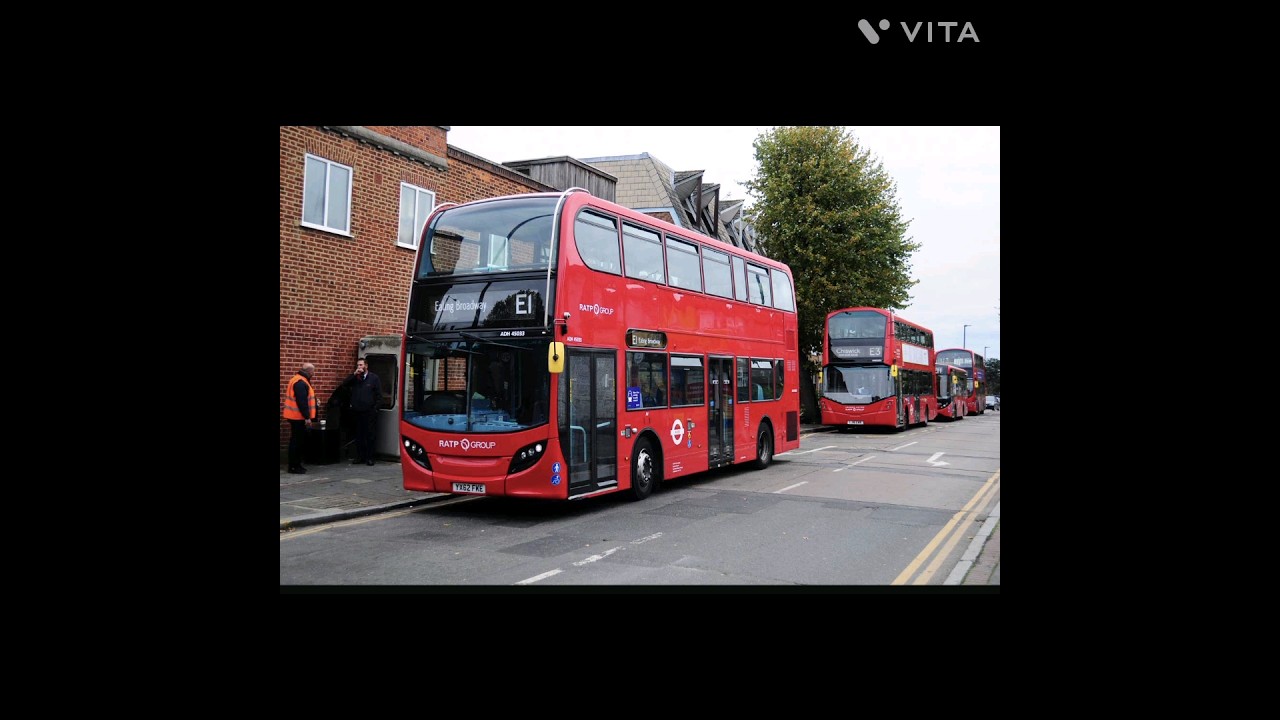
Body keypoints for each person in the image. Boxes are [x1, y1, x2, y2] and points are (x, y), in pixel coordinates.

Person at [341, 358, 382, 466]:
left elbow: (378, 395)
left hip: (369, 411)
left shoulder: (373, 378)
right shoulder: (355, 378)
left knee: (370, 435)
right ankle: (360, 456)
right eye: (358, 365)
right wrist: (354, 375)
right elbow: (344, 385)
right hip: (357, 411)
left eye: (361, 365)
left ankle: (370, 457)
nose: (359, 367)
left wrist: (375, 408)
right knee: (359, 435)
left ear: (366, 366)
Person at [283, 363, 317, 474]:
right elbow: (301, 402)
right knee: (297, 442)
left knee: (295, 441)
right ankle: (294, 466)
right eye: (313, 371)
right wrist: (307, 417)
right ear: (309, 371)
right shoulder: (300, 382)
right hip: (298, 417)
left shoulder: (297, 379)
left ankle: (295, 465)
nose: (314, 373)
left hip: (295, 416)